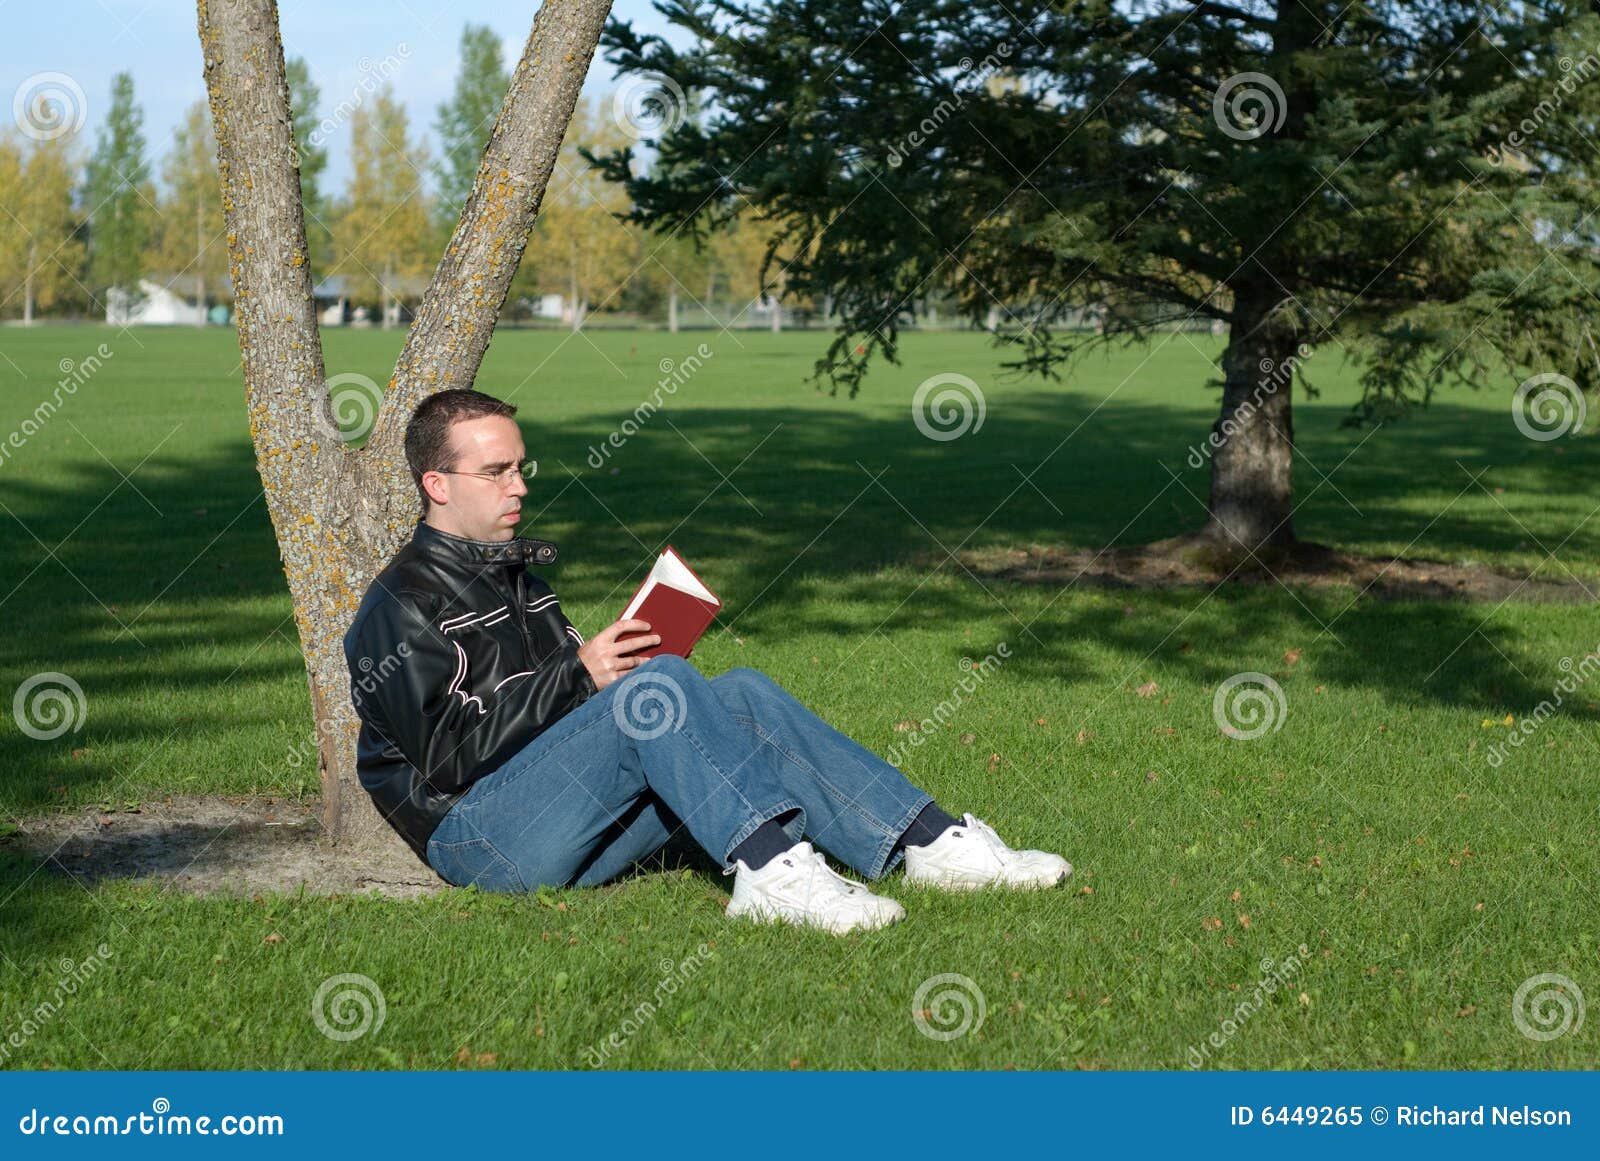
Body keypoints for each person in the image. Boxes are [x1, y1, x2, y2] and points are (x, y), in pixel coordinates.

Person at [342, 389, 1071, 934]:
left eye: (520, 468)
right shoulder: (398, 605)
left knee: (744, 693)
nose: (520, 486)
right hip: (481, 841)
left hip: (562, 823)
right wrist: (581, 676)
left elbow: (561, 719)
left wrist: (609, 668)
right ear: (437, 485)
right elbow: (443, 759)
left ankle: (930, 842)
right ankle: (772, 873)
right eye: (496, 472)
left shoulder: (517, 577)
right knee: (655, 688)